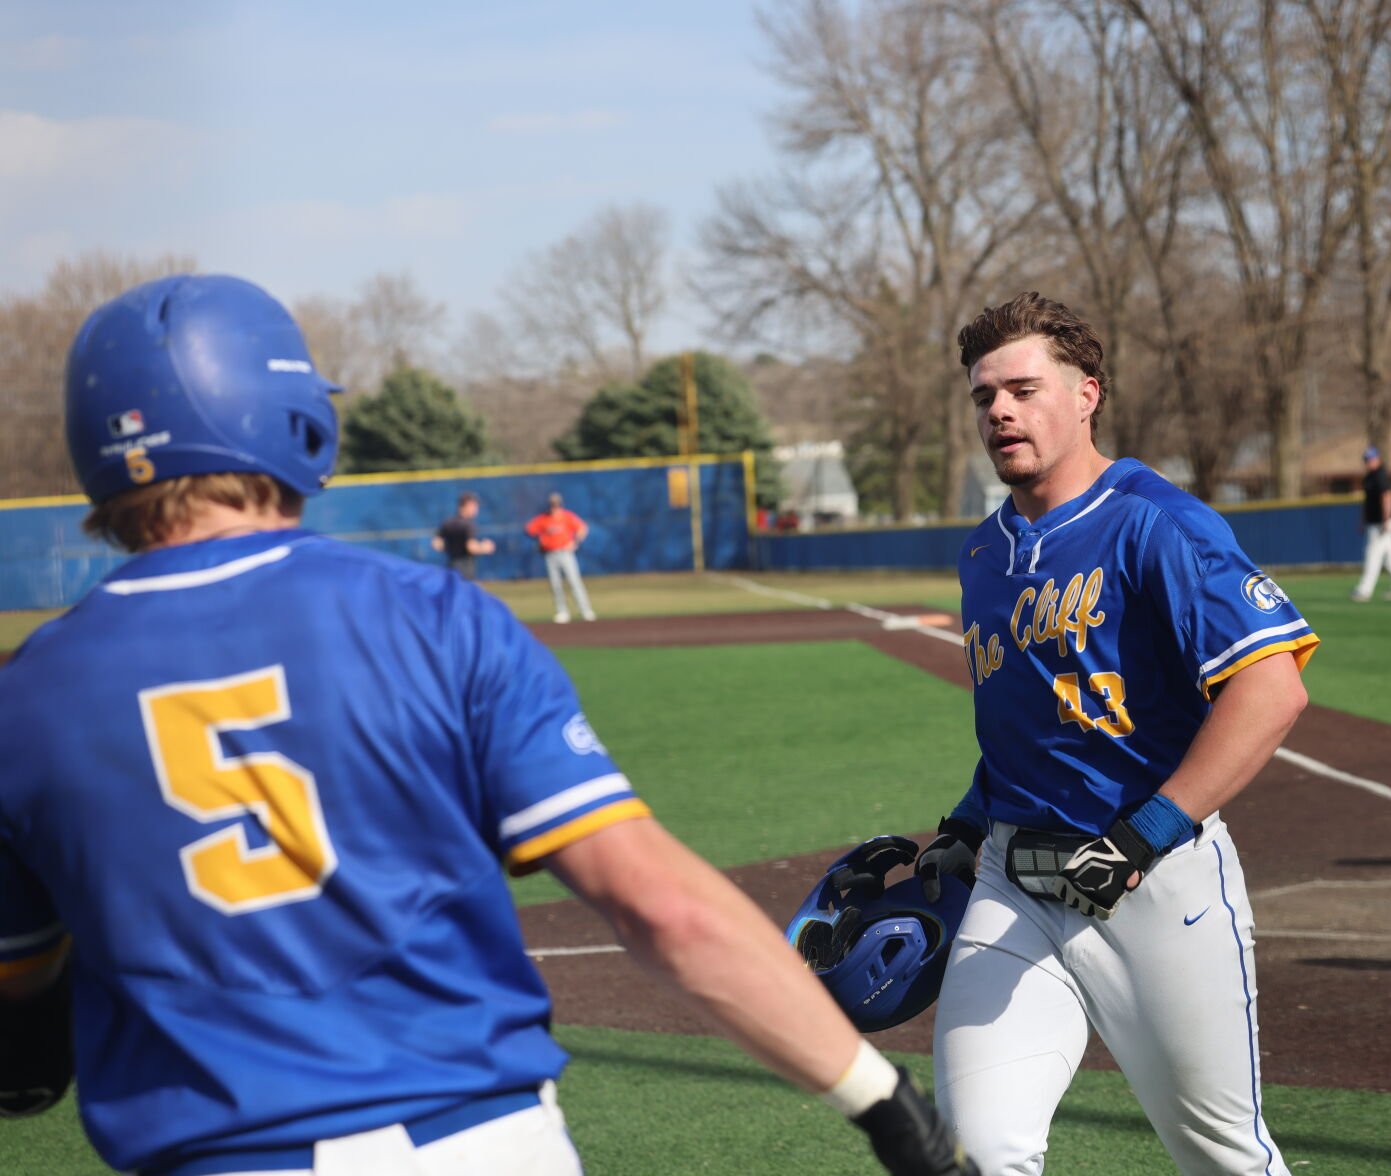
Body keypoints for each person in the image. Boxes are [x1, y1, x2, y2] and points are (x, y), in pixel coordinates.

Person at [0, 275, 975, 1176]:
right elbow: (662, 908)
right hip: (475, 1144)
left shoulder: (27, 696)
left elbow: (22, 1006)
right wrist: (886, 1105)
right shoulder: (427, 619)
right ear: (288, 418)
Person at [913, 292, 1317, 1176]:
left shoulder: (1155, 522)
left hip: (1152, 883)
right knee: (977, 1156)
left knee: (1223, 1159)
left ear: (1086, 393)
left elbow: (1271, 688)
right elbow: (1032, 723)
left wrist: (1148, 832)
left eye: (1022, 388)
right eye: (984, 396)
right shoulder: (983, 554)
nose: (1000, 411)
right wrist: (965, 826)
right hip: (1012, 885)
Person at [526, 493, 597, 623]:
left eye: (557, 505)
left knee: (574, 581)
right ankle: (562, 611)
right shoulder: (544, 519)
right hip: (550, 554)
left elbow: (582, 528)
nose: (554, 508)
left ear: (560, 505)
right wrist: (541, 542)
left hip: (565, 553)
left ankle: (585, 610)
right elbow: (529, 530)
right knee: (555, 584)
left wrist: (575, 542)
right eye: (552, 505)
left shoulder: (567, 516)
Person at [1351, 446, 1391, 601]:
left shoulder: (1380, 475)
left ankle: (1364, 590)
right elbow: (1367, 501)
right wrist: (1362, 520)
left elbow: (1387, 497)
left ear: (1377, 458)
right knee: (1390, 557)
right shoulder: (1369, 477)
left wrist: (1386, 519)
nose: (1368, 462)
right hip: (1375, 522)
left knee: (1372, 555)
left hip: (1382, 522)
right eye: (1366, 459)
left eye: (1370, 459)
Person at [432, 491, 495, 578]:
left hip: (451, 566)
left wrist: (451, 547)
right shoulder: (468, 525)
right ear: (467, 505)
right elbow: (471, 547)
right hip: (465, 569)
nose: (476, 509)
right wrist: (484, 547)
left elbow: (436, 544)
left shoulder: (447, 522)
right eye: (474, 506)